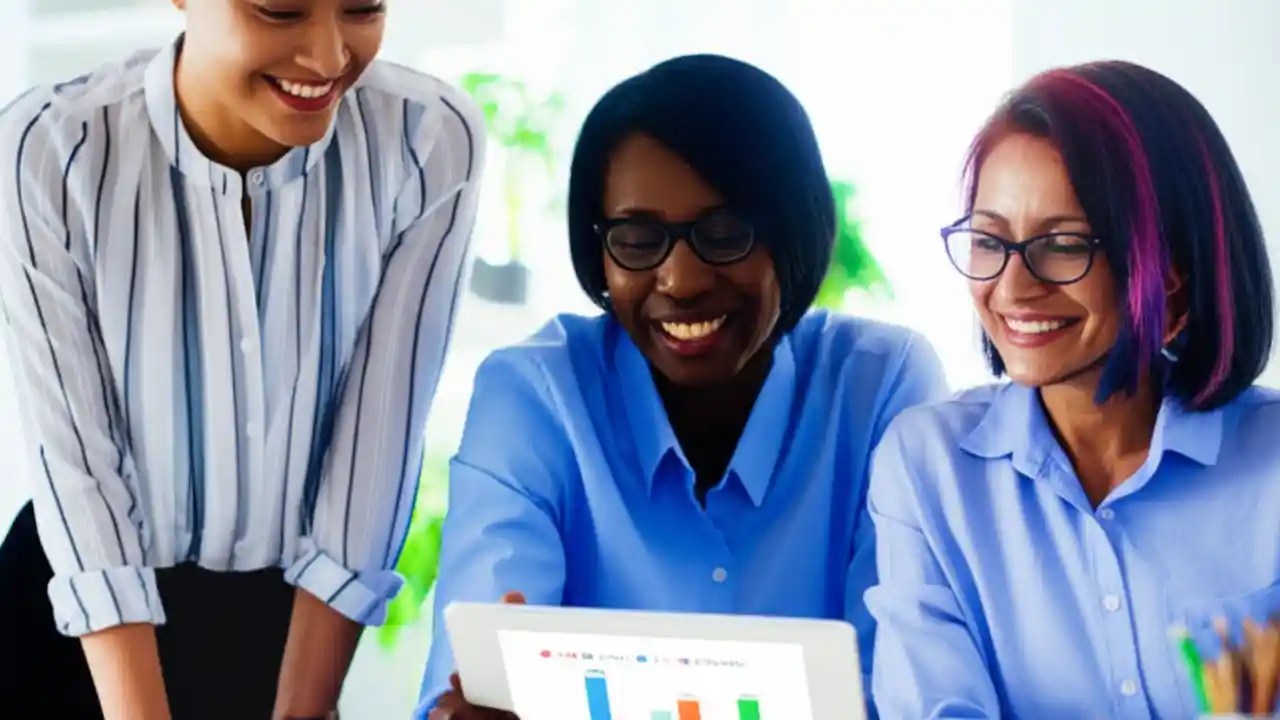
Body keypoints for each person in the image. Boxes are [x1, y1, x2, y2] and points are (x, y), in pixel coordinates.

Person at [418, 54, 949, 719]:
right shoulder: (536, 394)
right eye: (638, 239)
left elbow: (904, 689)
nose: (681, 279)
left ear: (794, 230)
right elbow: (478, 688)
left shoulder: (878, 385)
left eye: (724, 234)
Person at [0, 1, 484, 718]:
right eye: (281, 9)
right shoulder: (49, 148)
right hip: (81, 629)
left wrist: (302, 711)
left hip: (290, 633)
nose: (327, 58)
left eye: (364, 7)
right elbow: (81, 479)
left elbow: (374, 457)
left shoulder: (427, 139)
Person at [866, 60, 1280, 719]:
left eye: (1062, 245)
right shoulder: (927, 467)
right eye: (989, 240)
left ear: (1171, 269)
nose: (1012, 288)